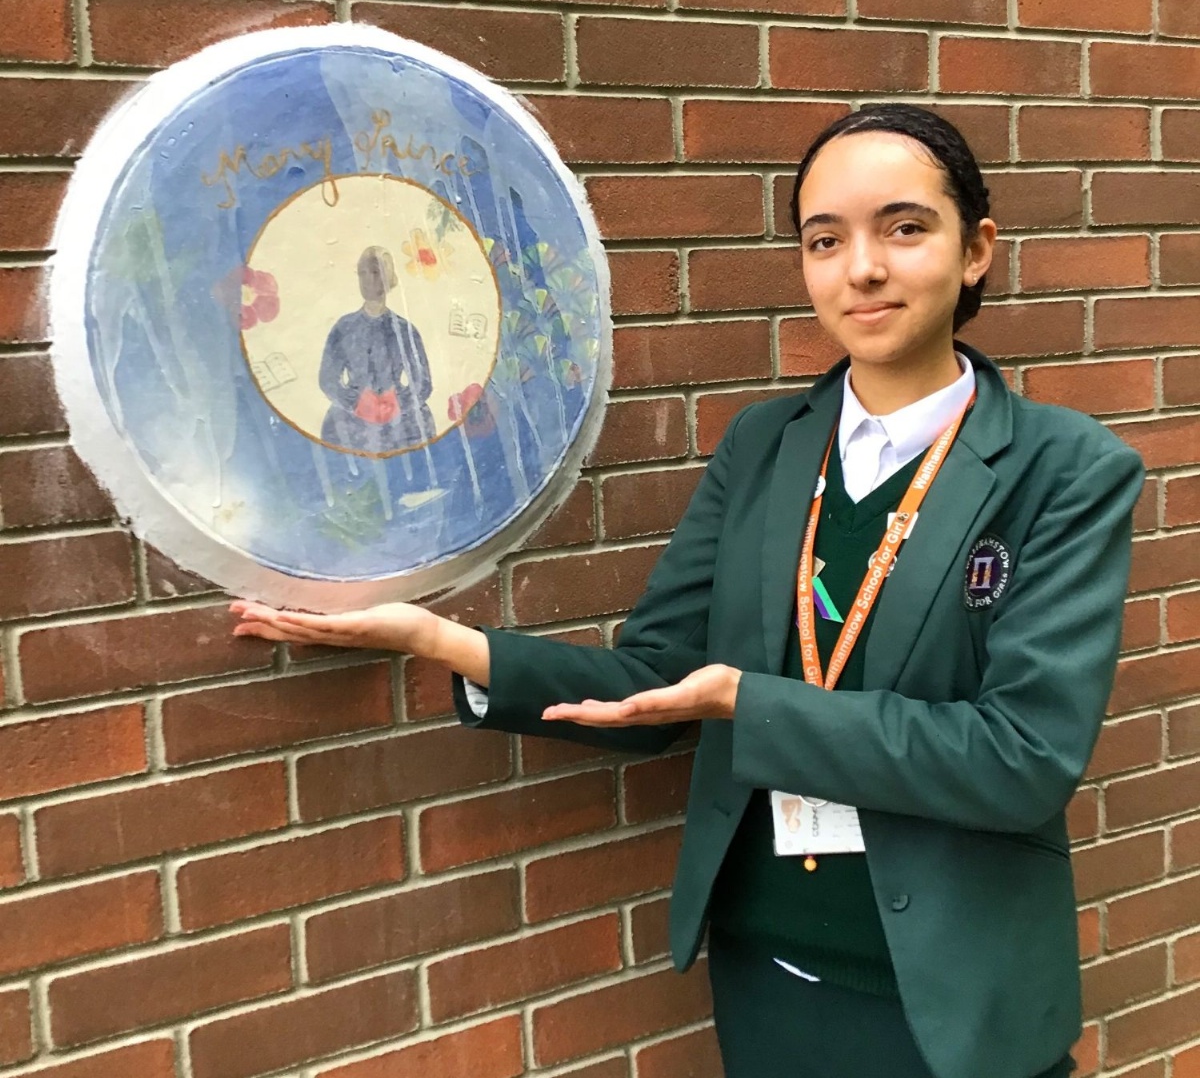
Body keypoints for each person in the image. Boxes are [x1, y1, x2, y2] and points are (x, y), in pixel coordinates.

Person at [232, 105, 1144, 1078]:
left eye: (904, 228)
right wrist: (438, 640)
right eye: (824, 240)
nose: (863, 268)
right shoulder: (765, 447)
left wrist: (750, 702)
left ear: (976, 251)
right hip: (768, 980)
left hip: (959, 1008)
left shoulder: (1065, 471)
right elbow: (660, 677)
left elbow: (1022, 759)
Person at [319, 245, 435, 453]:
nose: (367, 280)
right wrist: (356, 402)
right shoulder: (344, 327)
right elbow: (327, 379)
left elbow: (423, 382)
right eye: (362, 273)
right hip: (352, 418)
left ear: (387, 277)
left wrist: (397, 402)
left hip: (401, 418)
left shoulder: (404, 329)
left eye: (374, 272)